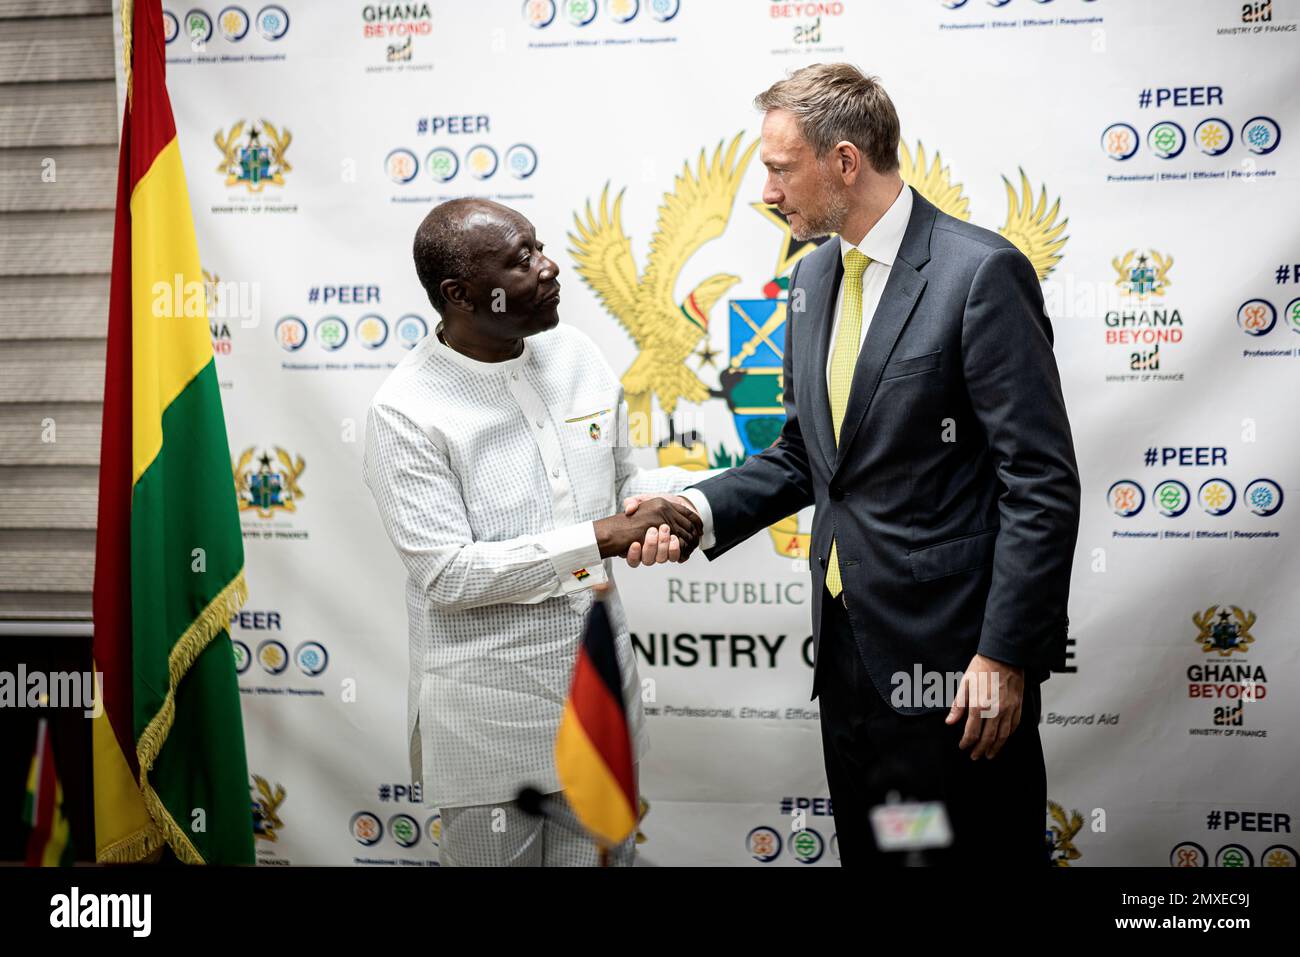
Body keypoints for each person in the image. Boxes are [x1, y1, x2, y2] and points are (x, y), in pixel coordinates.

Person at [626, 64, 1081, 866]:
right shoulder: (812, 276)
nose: (765, 192)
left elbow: (1038, 483)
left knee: (968, 855)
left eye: (777, 168)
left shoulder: (979, 273)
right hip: (849, 661)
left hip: (956, 667)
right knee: (886, 849)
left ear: (844, 162)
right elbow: (809, 454)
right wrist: (695, 510)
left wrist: (1005, 653)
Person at [363, 198, 704, 866]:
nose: (549, 268)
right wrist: (603, 536)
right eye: (520, 261)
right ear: (459, 294)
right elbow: (449, 574)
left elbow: (621, 485)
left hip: (599, 703)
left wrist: (693, 500)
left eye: (539, 247)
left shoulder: (575, 353)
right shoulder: (405, 410)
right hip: (489, 724)